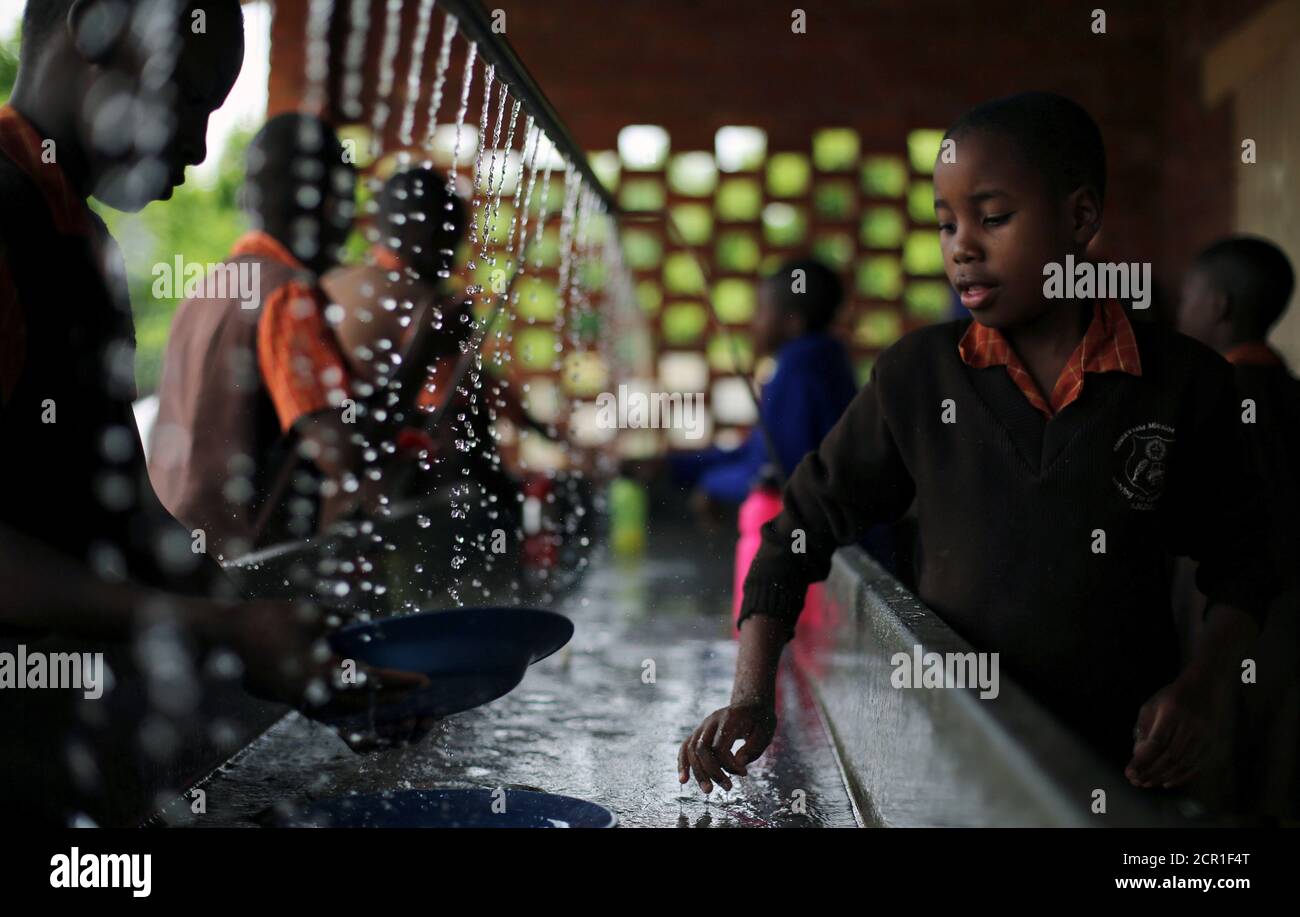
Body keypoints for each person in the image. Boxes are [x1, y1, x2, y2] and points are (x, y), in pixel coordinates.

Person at [679, 92, 1277, 797]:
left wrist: (1206, 685)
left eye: (992, 218)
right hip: (951, 766)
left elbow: (1251, 556)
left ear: (1080, 217)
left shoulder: (1181, 382)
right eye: (946, 223)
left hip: (1123, 766)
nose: (962, 245)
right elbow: (798, 529)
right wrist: (753, 691)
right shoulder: (917, 376)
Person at [0, 0, 415, 825]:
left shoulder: (84, 245)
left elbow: (127, 516)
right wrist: (219, 627)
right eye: (189, 99)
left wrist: (272, 635)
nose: (195, 148)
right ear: (99, 28)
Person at [149, 112, 360, 558]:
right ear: (324, 202)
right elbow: (343, 453)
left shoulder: (206, 289)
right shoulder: (288, 295)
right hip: (248, 578)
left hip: (176, 557)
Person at [1176, 235, 1300, 817]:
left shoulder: (1213, 401)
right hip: (1286, 633)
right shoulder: (1289, 394)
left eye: (1191, 296)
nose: (1182, 309)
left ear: (1219, 306)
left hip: (1227, 628)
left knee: (1219, 782)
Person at [669, 258, 858, 513]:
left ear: (793, 323)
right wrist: (676, 466)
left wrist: (712, 485)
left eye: (761, 310)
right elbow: (757, 452)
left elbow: (777, 472)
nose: (753, 321)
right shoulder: (823, 362)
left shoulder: (798, 369)